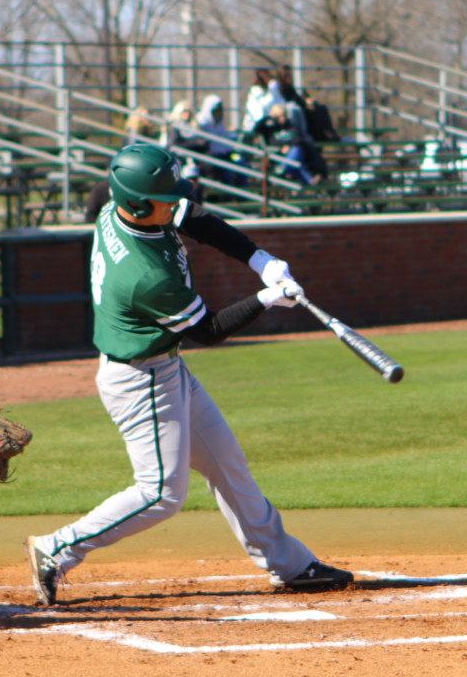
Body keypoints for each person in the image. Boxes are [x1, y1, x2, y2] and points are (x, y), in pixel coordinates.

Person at [25, 143, 352, 604]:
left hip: (164, 366)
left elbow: (193, 217)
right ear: (137, 203)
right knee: (161, 493)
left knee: (227, 463)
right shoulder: (147, 277)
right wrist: (266, 299)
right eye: (164, 196)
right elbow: (209, 329)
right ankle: (56, 549)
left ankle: (290, 564)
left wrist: (259, 260)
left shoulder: (113, 202)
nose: (176, 201)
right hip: (140, 382)